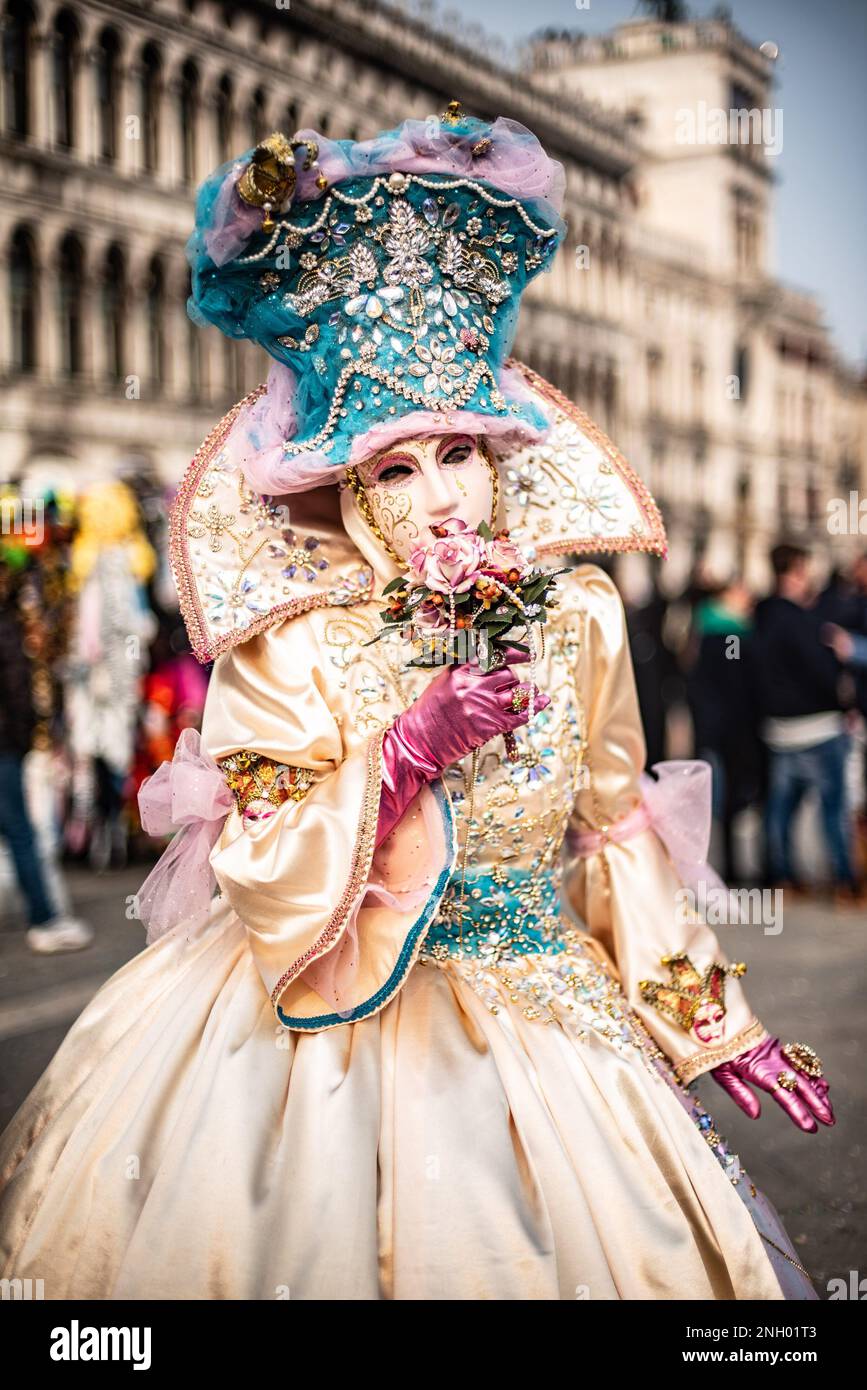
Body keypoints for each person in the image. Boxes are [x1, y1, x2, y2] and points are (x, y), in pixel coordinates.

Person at [0, 108, 833, 1300]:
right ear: (347, 489)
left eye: (459, 453)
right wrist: (400, 754)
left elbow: (614, 832)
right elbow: (257, 846)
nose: (440, 495)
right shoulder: (293, 637)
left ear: (499, 457)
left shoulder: (579, 614)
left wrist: (711, 1019)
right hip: (318, 1024)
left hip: (546, 1011)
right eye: (396, 466)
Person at [753, 543, 860, 905]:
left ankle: (782, 876)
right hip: (817, 725)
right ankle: (845, 881)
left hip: (778, 727)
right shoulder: (800, 620)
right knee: (833, 807)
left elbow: (748, 666)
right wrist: (842, 699)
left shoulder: (759, 617)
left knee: (782, 808)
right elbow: (819, 671)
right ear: (796, 571)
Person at [0, 565, 93, 953]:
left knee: (20, 831)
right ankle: (44, 919)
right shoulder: (7, 624)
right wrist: (25, 735)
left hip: (9, 742)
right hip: (6, 744)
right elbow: (16, 687)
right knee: (21, 832)